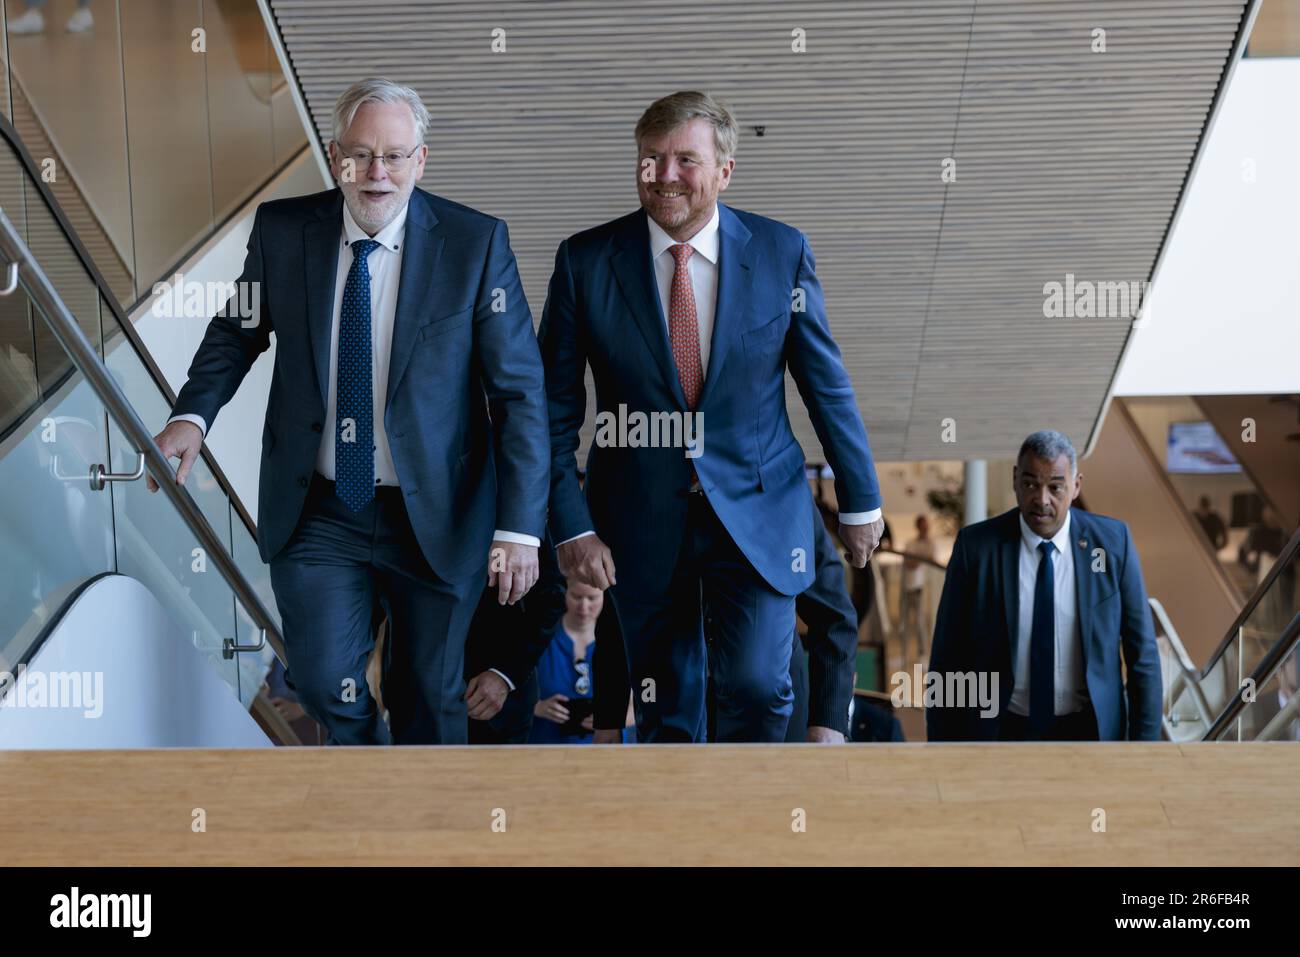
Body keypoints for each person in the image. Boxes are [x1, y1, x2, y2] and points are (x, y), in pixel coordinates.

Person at [149, 77, 549, 745]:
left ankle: (425, 833)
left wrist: (520, 529)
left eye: (394, 156)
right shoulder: (283, 231)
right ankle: (371, 774)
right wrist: (193, 415)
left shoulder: (475, 245)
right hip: (321, 507)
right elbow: (237, 330)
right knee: (321, 676)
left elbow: (519, 394)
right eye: (360, 154)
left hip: (438, 513)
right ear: (336, 156)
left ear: (421, 160)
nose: (376, 173)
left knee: (427, 692)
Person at [541, 91, 884, 743]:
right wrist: (571, 526)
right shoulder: (585, 263)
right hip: (639, 517)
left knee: (757, 683)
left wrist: (860, 498)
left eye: (685, 160)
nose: (665, 175)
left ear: (724, 171)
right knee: (668, 705)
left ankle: (753, 833)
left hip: (757, 508)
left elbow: (824, 381)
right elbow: (550, 414)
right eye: (651, 159)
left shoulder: (781, 252)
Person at [927, 430, 1162, 742]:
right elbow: (948, 658)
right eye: (1030, 484)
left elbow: (1141, 652)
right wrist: (943, 748)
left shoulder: (1112, 544)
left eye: (1055, 487)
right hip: (1001, 731)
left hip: (1090, 731)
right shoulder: (977, 548)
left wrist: (1147, 749)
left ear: (1076, 485)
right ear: (1015, 480)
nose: (1041, 499)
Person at [530, 582, 634, 744]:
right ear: (565, 593)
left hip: (607, 750)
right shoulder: (539, 638)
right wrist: (535, 708)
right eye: (576, 597)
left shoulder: (625, 642)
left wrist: (626, 717)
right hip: (546, 747)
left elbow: (651, 692)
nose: (584, 607)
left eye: (592, 598)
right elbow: (509, 693)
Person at [899, 514, 936, 661]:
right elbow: (909, 562)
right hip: (908, 586)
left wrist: (918, 560)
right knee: (905, 622)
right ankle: (905, 652)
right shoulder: (911, 543)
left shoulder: (931, 544)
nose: (925, 529)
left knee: (921, 622)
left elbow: (930, 558)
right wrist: (920, 559)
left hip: (922, 587)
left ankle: (922, 653)